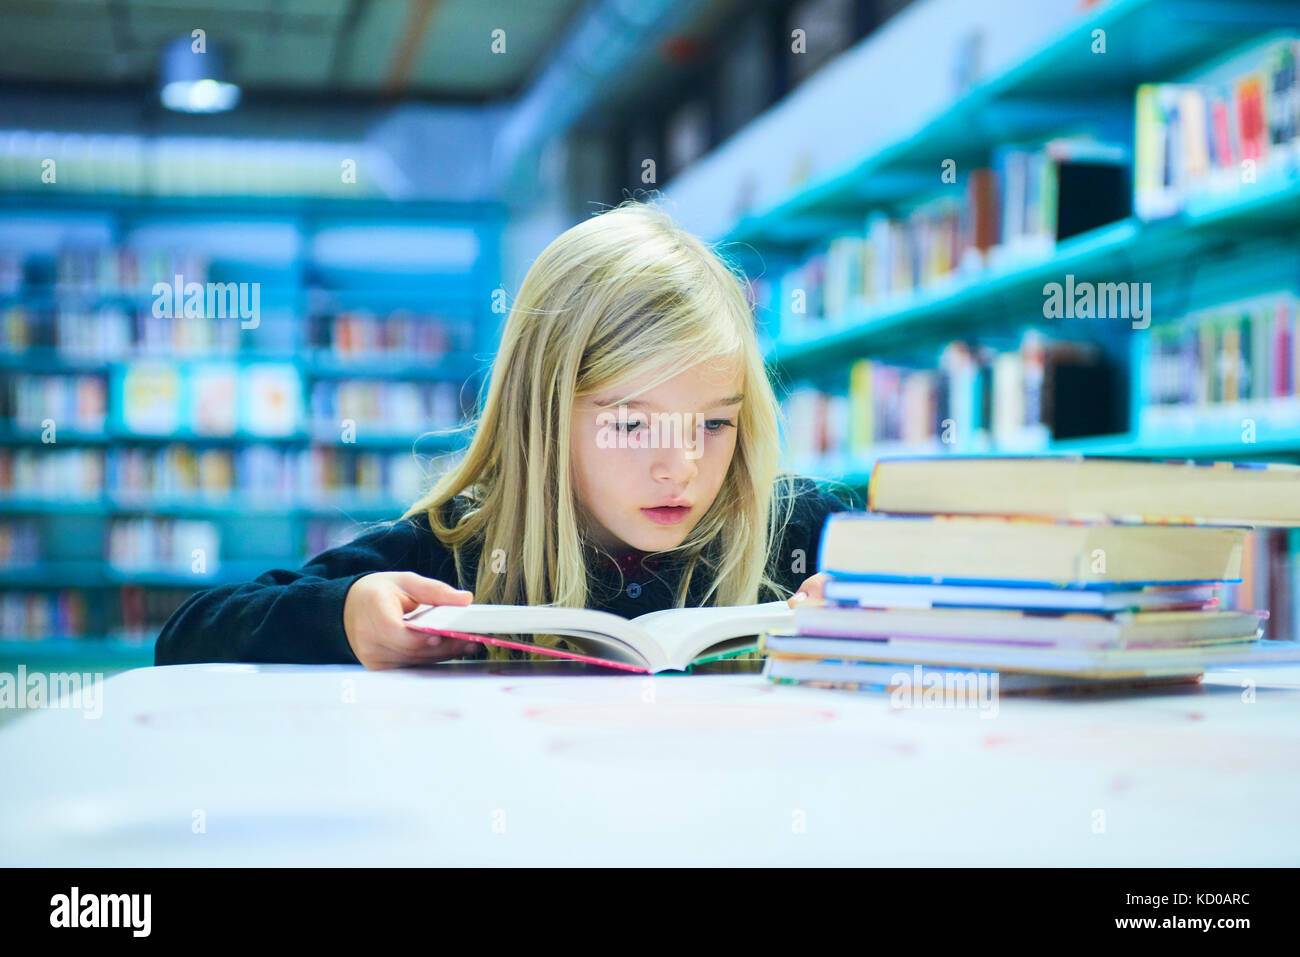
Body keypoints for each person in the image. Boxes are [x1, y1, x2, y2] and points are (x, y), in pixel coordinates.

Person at [154, 200, 858, 669]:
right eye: (633, 423)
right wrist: (346, 614)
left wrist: (887, 613)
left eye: (713, 422)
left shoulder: (797, 529)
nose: (681, 465)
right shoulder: (452, 550)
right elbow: (189, 632)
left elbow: (958, 591)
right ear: (546, 415)